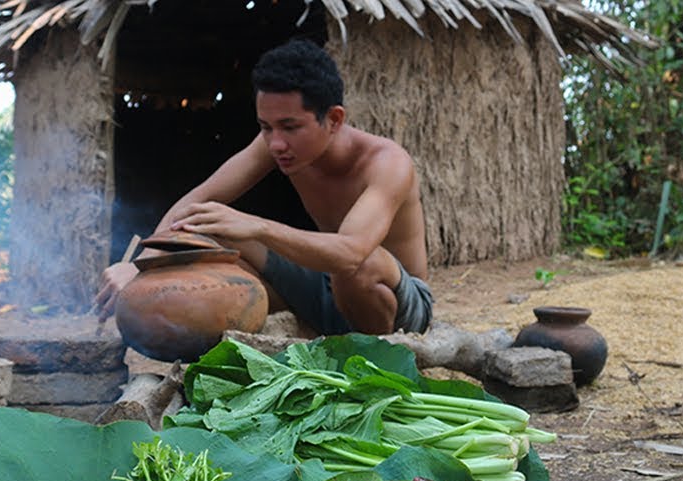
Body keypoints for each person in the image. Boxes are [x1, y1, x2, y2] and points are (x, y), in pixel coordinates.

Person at [94, 38, 433, 337]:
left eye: (290, 126)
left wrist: (258, 226)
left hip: (398, 307)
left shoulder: (387, 163)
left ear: (334, 120)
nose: (276, 143)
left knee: (361, 265)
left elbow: (350, 253)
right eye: (266, 127)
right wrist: (140, 267)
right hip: (325, 286)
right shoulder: (276, 143)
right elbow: (198, 201)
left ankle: (375, 358)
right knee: (210, 230)